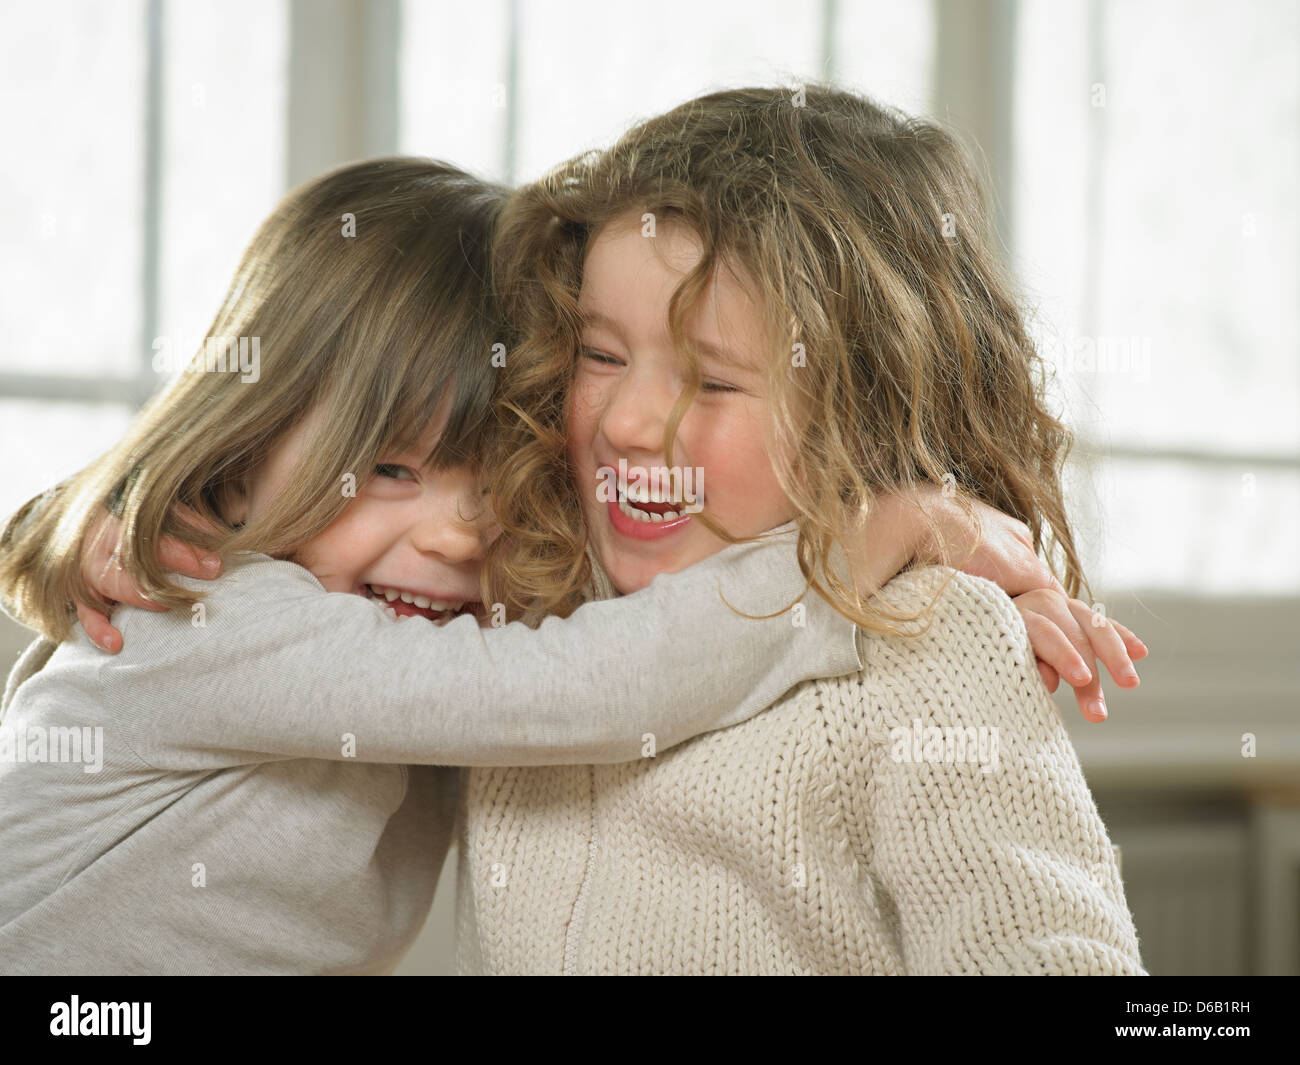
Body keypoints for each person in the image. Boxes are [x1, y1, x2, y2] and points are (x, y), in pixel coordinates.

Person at [0, 156, 1128, 975]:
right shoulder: (197, 604)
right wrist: (865, 540)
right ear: (237, 456)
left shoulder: (472, 623)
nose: (456, 534)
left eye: (500, 485)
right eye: (391, 470)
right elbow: (592, 685)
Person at [454, 86, 1148, 974]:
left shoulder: (924, 644)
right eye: (601, 355)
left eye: (710, 380)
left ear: (863, 410)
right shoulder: (528, 611)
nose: (629, 421)